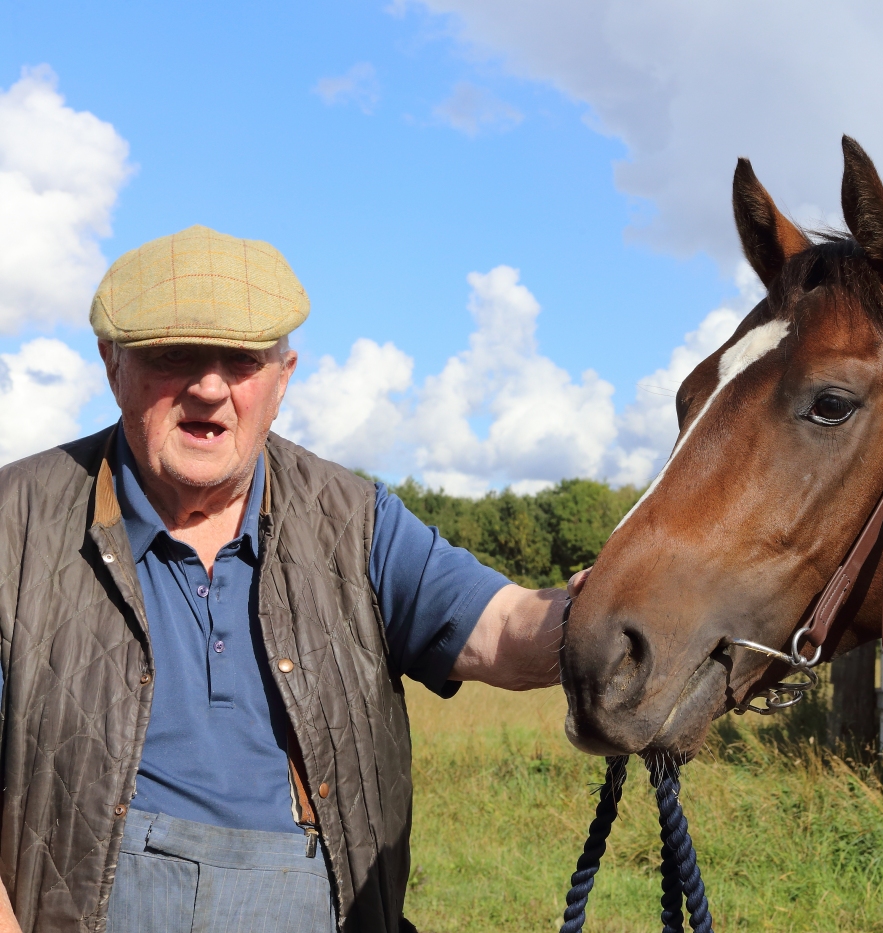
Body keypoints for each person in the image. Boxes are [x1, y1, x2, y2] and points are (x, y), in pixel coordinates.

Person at [0, 226, 573, 933]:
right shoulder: (13, 526)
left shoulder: (356, 521)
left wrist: (615, 607)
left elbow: (503, 630)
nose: (209, 388)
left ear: (284, 376)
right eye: (173, 355)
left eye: (240, 359)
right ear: (111, 363)